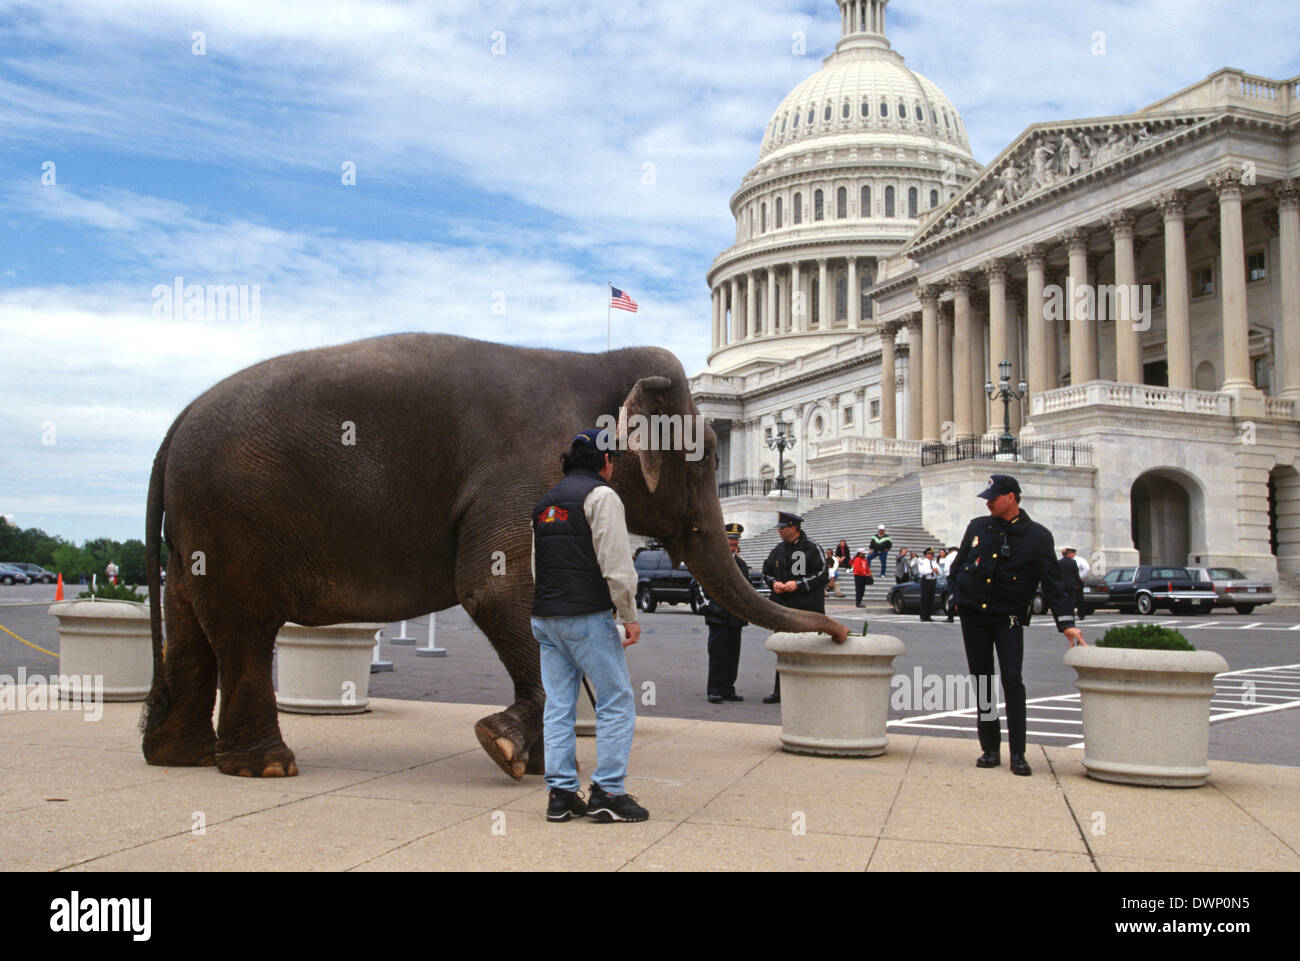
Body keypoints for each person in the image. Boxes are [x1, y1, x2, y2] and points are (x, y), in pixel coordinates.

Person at [530, 427, 647, 823]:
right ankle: (608, 791)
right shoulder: (601, 496)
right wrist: (629, 616)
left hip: (546, 617)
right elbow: (617, 565)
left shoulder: (545, 503)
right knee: (615, 701)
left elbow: (535, 566)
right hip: (586, 615)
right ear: (606, 461)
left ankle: (561, 794)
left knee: (559, 705)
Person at [949, 475, 1086, 777]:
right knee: (983, 680)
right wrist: (957, 596)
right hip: (974, 615)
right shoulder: (977, 527)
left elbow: (1053, 584)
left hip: (1007, 617)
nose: (987, 502)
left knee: (1012, 680)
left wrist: (1067, 624)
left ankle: (1018, 754)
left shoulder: (1037, 537)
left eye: (993, 497)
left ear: (1011, 498)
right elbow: (958, 568)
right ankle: (990, 749)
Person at [760, 511, 828, 704]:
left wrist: (799, 584)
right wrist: (774, 583)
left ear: (793, 528)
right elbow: (767, 570)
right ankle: (780, 690)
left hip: (807, 609)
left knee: (807, 649)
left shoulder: (811, 548)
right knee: (783, 648)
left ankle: (810, 691)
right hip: (783, 608)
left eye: (782, 528)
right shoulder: (779, 549)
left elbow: (822, 574)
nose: (779, 531)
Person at [697, 523, 749, 704]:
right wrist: (711, 608)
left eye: (736, 539)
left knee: (733, 655)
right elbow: (700, 585)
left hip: (736, 617)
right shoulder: (712, 561)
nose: (734, 542)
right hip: (718, 616)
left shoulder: (741, 564)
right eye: (730, 539)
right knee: (718, 655)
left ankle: (728, 688)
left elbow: (746, 591)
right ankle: (715, 689)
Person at [1059, 547, 1083, 624]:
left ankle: (1064, 616)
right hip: (1071, 585)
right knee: (1071, 601)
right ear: (1069, 554)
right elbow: (1076, 574)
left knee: (1064, 601)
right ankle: (1071, 615)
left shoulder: (1059, 562)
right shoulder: (1073, 562)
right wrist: (1078, 583)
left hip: (1062, 585)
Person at [916, 547, 940, 622]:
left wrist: (937, 571)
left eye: (932, 554)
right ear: (926, 555)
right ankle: (923, 616)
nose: (931, 556)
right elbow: (922, 571)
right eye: (929, 554)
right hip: (926, 580)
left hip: (933, 581)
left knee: (930, 599)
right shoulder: (923, 562)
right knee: (925, 598)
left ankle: (928, 615)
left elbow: (940, 571)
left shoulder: (934, 562)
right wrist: (931, 570)